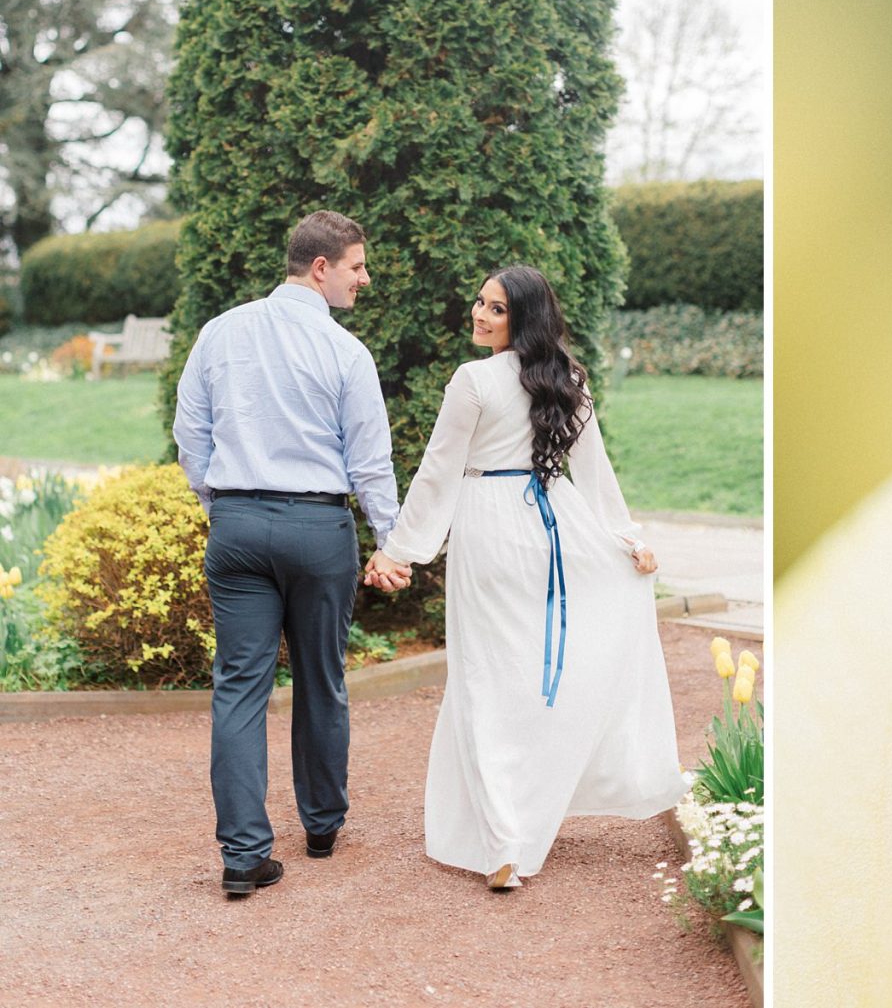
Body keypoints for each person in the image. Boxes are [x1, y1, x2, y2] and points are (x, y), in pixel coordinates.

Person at [366, 265, 686, 889]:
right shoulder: (569, 379)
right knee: (536, 673)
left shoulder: (473, 380)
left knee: (487, 677)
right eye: (479, 302)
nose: (480, 315)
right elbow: (594, 477)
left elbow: (439, 471)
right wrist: (624, 537)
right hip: (553, 527)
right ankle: (516, 826)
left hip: (489, 529)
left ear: (524, 318)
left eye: (496, 309)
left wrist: (400, 550)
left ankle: (506, 841)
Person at [174, 210, 411, 896]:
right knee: (321, 676)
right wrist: (391, 541)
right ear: (321, 268)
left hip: (238, 524)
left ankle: (244, 854)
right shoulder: (345, 353)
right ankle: (322, 823)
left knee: (238, 686)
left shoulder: (220, 332)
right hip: (317, 529)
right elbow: (370, 462)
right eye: (357, 266)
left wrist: (221, 505)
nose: (364, 278)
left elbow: (190, 433)